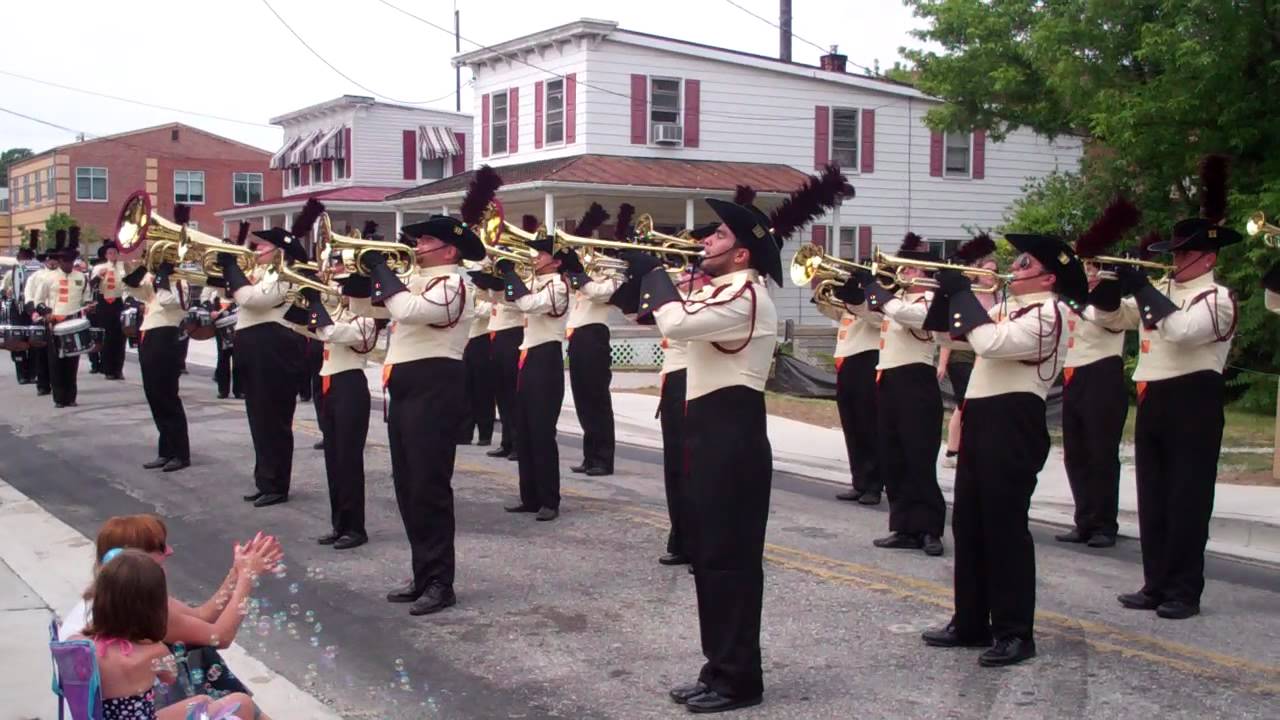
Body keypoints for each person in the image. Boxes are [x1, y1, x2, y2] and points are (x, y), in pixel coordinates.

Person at [637, 166, 844, 714]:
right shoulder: (721, 290)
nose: (707, 239)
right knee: (709, 558)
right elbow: (667, 320)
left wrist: (655, 275)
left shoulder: (747, 298)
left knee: (730, 560)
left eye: (720, 235)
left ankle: (739, 680)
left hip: (732, 432)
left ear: (744, 255)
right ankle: (718, 667)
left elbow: (676, 326)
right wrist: (660, 283)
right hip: (708, 430)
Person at [919, 232, 1082, 668]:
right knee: (969, 524)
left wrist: (964, 295)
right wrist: (945, 292)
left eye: (1026, 262)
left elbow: (990, 343)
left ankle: (1014, 632)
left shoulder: (1052, 313)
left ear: (1049, 277)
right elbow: (942, 336)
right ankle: (970, 621)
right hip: (981, 415)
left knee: (1005, 529)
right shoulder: (1007, 308)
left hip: (1014, 419)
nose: (1016, 266)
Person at [1097, 156, 1238, 620]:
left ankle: (1183, 590)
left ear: (1207, 258)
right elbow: (1113, 320)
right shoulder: (1164, 290)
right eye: (1173, 254)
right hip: (1154, 395)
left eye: (1182, 254)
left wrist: (1146, 290)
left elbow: (1181, 332)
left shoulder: (1216, 298)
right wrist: (1108, 290)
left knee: (1186, 497)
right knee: (1153, 495)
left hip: (1193, 398)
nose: (1173, 260)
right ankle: (1155, 582)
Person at [367, 208, 485, 615]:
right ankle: (422, 572)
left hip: (436, 384)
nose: (416, 247)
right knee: (408, 486)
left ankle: (440, 581)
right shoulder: (421, 281)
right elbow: (379, 311)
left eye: (424, 242)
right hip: (407, 386)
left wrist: (382, 271)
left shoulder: (454, 284)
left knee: (430, 487)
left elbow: (409, 311)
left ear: (448, 249)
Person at [74, 550, 272, 720]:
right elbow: (169, 677)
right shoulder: (153, 652)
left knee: (202, 700)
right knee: (241, 702)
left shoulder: (78, 644)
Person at [218, 202, 320, 508]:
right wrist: (228, 270)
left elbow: (252, 300)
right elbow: (232, 293)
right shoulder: (261, 271)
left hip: (273, 344)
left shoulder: (286, 274)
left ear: (278, 250)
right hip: (253, 343)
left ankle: (277, 484)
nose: (256, 248)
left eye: (262, 245)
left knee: (273, 418)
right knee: (258, 417)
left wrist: (231, 268)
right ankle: (265, 479)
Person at [1056, 199, 1142, 548]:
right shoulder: (1074, 295)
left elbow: (1106, 318)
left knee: (1101, 450)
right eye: (1085, 266)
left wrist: (1080, 297)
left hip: (1102, 373)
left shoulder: (1114, 298)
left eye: (1094, 267)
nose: (1088, 272)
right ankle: (1084, 518)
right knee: (1075, 451)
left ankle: (1105, 522)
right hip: (1073, 373)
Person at [862, 233, 946, 557]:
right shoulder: (896, 300)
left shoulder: (928, 301)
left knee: (918, 456)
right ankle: (904, 526)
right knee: (893, 455)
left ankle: (929, 529)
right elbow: (870, 314)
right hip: (889, 379)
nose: (904, 275)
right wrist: (860, 289)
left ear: (923, 274)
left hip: (916, 379)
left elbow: (910, 317)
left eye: (909, 270)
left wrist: (880, 293)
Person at [284, 278, 381, 551]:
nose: (343, 294)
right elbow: (315, 330)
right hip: (329, 385)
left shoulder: (366, 320)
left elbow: (331, 333)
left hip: (350, 385)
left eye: (349, 291)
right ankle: (339, 524)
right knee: (333, 461)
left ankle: (355, 527)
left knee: (349, 462)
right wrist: (295, 305)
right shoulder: (338, 315)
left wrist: (316, 305)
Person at [498, 218, 570, 522]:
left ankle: (549, 499)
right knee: (523, 430)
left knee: (541, 432)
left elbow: (530, 305)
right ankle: (529, 496)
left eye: (539, 255)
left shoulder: (558, 286)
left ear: (554, 261)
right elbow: (511, 304)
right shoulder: (538, 282)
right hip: (527, 357)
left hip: (545, 357)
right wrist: (501, 280)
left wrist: (511, 274)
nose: (534, 259)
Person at [816, 260, 883, 506]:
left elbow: (877, 319)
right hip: (846, 360)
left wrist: (859, 297)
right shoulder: (855, 298)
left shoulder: (879, 297)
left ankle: (874, 485)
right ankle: (859, 481)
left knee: (867, 423)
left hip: (868, 358)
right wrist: (824, 294)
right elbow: (834, 312)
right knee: (851, 424)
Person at [562, 203, 620, 476]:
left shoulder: (614, 274)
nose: (592, 254)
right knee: (583, 398)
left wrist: (581, 275)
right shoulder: (587, 274)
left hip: (594, 335)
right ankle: (589, 456)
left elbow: (599, 293)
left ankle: (603, 459)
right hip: (578, 337)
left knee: (597, 399)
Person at [122, 254, 191, 473]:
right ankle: (166, 450)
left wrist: (162, 276)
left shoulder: (180, 281)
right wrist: (143, 269)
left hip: (167, 335)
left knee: (167, 395)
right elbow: (134, 291)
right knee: (154, 395)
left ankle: (180, 453)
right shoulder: (156, 281)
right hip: (149, 335)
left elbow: (169, 302)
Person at [937, 234, 998, 470]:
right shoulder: (967, 295)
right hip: (960, 354)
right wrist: (942, 363)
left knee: (972, 403)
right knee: (965, 402)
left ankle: (963, 448)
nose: (989, 276)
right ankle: (954, 450)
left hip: (984, 355)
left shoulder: (997, 297)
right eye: (986, 270)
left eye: (993, 271)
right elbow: (950, 331)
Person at [484, 223, 533, 462]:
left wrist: (506, 280)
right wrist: (491, 281)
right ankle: (506, 441)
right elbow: (493, 298)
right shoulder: (509, 279)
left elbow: (516, 303)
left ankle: (517, 442)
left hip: (513, 334)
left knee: (513, 394)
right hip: (497, 334)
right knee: (501, 393)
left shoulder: (524, 277)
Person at [35, 227, 91, 408]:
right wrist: (46, 313)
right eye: (64, 261)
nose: (67, 264)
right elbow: (39, 300)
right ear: (59, 261)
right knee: (56, 360)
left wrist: (88, 307)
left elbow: (86, 299)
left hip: (73, 320)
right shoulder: (48, 278)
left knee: (72, 361)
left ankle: (71, 397)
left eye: (70, 261)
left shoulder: (81, 277)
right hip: (55, 321)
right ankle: (59, 398)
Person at [457, 277, 496, 446]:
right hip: (470, 340)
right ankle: (464, 433)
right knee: (466, 388)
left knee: (483, 389)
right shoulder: (474, 293)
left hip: (484, 339)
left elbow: (484, 312)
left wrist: (471, 303)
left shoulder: (494, 296)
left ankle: (485, 434)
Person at [24, 239, 58, 396]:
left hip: (58, 317)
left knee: (58, 353)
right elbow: (29, 296)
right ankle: (43, 384)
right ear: (46, 260)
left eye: (55, 259)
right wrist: (33, 312)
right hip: (41, 317)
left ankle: (58, 383)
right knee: (41, 353)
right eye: (50, 259)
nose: (52, 262)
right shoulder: (36, 276)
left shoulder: (63, 275)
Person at [2, 243, 40, 385]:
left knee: (34, 338)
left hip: (32, 306)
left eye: (27, 258)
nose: (25, 260)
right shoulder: (11, 273)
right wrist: (7, 292)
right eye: (23, 258)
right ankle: (23, 374)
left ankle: (31, 373)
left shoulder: (37, 272)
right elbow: (4, 291)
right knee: (18, 340)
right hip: (17, 308)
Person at [91, 240, 128, 380]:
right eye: (110, 253)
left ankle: (118, 368)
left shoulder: (123, 267)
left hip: (119, 302)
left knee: (120, 336)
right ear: (106, 255)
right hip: (104, 301)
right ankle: (107, 369)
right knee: (107, 336)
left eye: (114, 252)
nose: (112, 255)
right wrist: (99, 275)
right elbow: (92, 285)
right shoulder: (99, 267)